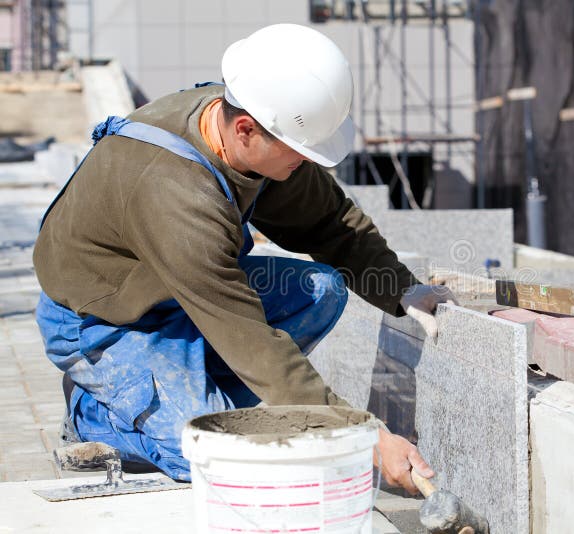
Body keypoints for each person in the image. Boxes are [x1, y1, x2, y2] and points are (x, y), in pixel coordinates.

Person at [33, 24, 456, 493]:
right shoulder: (177, 194)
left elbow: (329, 223)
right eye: (299, 154)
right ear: (245, 130)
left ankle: (186, 392)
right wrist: (360, 433)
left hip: (182, 289)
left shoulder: (255, 122)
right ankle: (95, 412)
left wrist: (402, 291)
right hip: (103, 317)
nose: (306, 164)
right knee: (211, 454)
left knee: (322, 291)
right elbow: (247, 336)